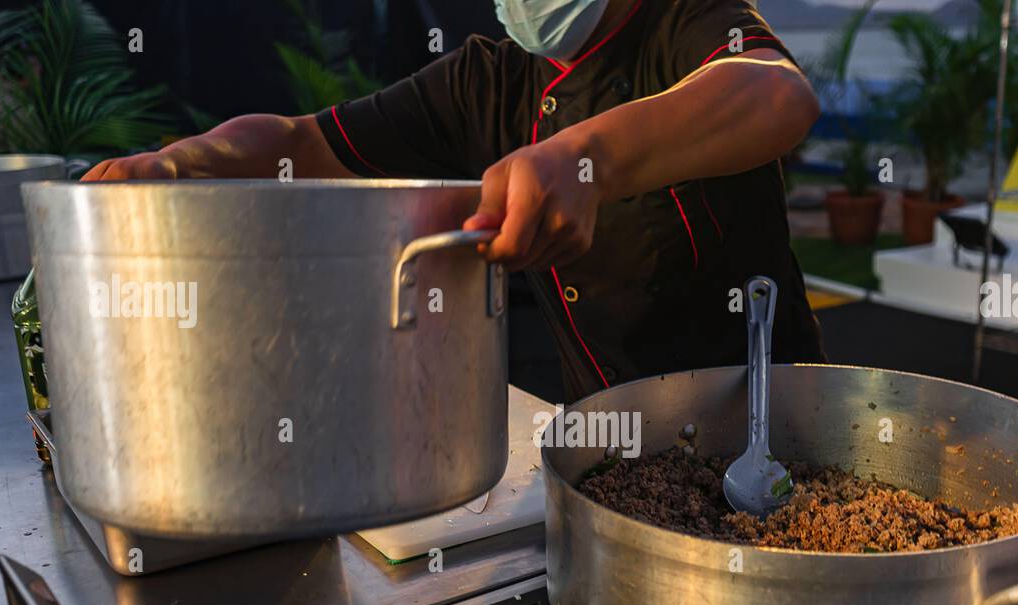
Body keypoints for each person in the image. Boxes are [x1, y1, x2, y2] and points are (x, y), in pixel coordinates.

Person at [86, 0, 825, 401]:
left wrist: (587, 157)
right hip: (611, 467)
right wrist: (174, 166)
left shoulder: (686, 18)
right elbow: (302, 145)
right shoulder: (489, 79)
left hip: (772, 442)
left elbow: (776, 92)